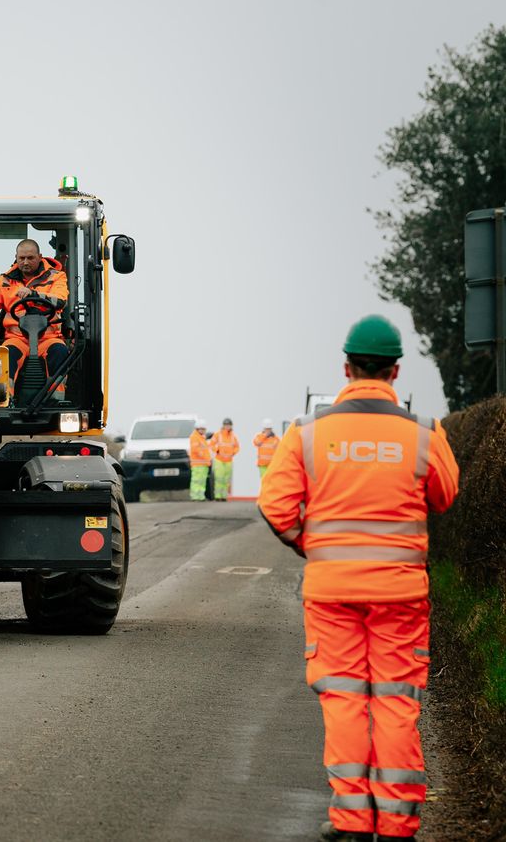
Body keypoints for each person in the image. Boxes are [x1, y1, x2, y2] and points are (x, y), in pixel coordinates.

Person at [257, 315, 459, 842]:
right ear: (395, 370)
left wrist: (316, 547)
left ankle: (350, 820)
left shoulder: (308, 433)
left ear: (346, 368)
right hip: (401, 594)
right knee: (395, 702)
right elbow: (446, 496)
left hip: (332, 592)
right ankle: (397, 826)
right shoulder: (422, 434)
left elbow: (276, 505)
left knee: (344, 699)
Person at [0, 238, 69, 386]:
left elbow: (60, 300)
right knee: (3, 358)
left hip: (48, 338)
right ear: (16, 258)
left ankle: (56, 401)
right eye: (22, 258)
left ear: (40, 257)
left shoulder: (56, 277)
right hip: (17, 339)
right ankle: (4, 402)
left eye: (30, 258)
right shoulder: (5, 281)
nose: (25, 262)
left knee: (60, 352)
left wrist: (33, 295)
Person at [210, 417, 240, 501]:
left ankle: (224, 496)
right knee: (219, 478)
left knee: (226, 480)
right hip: (219, 460)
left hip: (229, 461)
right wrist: (217, 450)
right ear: (223, 426)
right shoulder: (218, 435)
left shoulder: (233, 436)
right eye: (226, 425)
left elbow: (237, 447)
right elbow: (211, 444)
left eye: (229, 425)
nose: (227, 427)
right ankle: (218, 496)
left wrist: (233, 452)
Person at [188, 420, 212, 501]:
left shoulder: (202, 438)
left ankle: (200, 496)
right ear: (197, 429)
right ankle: (195, 496)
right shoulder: (194, 437)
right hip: (197, 463)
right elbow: (196, 449)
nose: (202, 431)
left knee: (202, 481)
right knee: (196, 480)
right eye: (200, 429)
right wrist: (204, 456)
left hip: (204, 463)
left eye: (203, 429)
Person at [254, 418, 280, 483]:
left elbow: (280, 450)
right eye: (266, 429)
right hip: (262, 465)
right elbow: (256, 442)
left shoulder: (276, 439)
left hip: (272, 465)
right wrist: (264, 436)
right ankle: (264, 493)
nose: (267, 431)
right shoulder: (259, 436)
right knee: (264, 481)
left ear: (271, 429)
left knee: (271, 482)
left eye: (269, 429)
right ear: (263, 429)